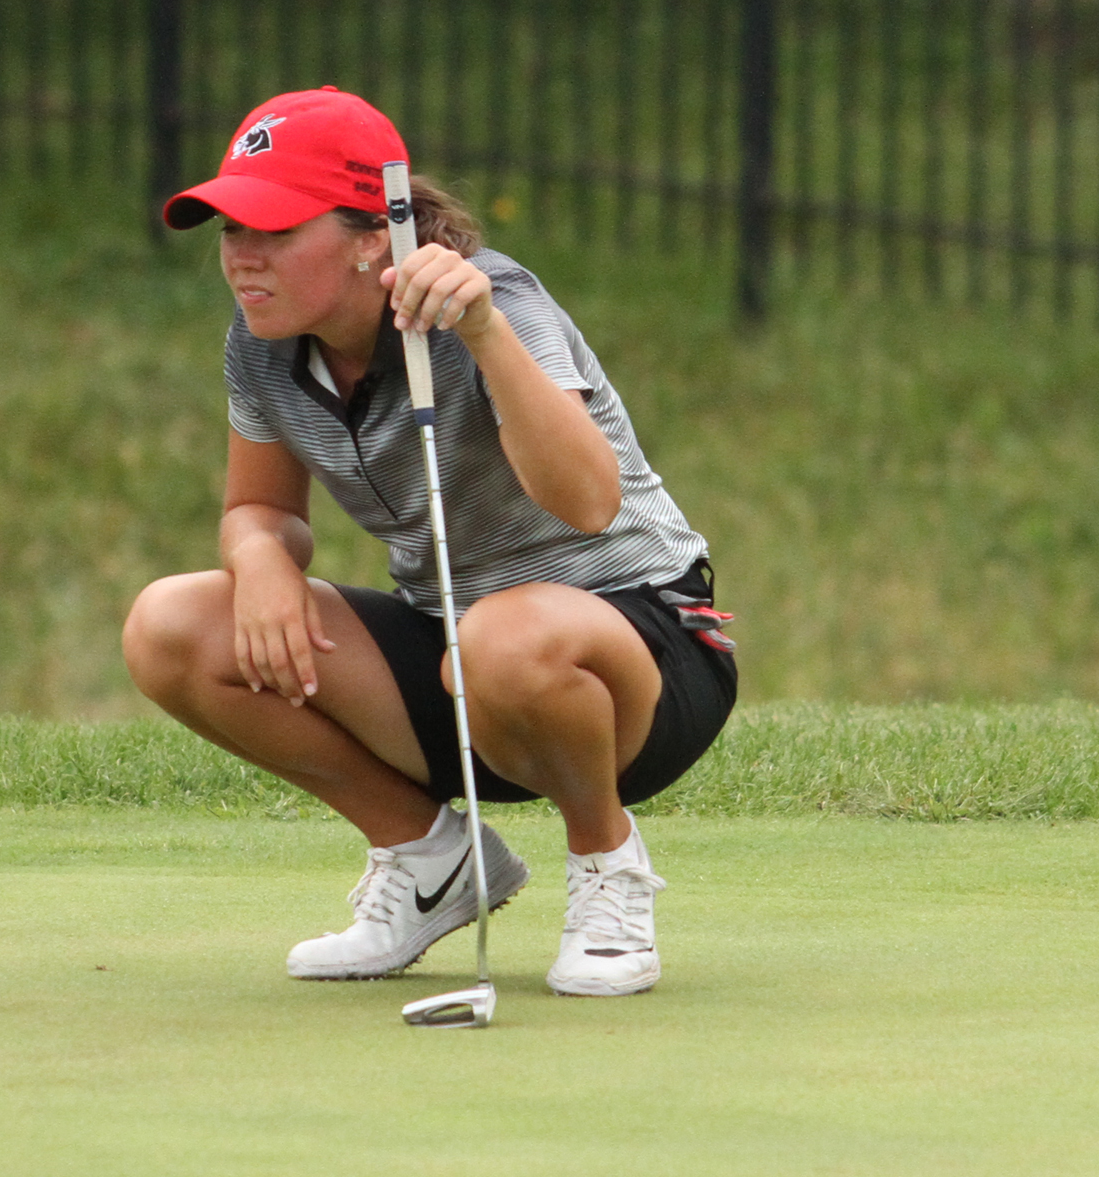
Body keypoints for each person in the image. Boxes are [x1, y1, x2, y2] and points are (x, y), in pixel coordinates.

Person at [122, 87, 737, 998]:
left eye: (276, 233)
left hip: (639, 653)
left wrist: (483, 333)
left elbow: (589, 501)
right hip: (459, 659)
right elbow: (259, 511)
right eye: (229, 233)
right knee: (172, 624)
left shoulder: (502, 304)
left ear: (376, 234)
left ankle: (608, 867)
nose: (244, 260)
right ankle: (430, 860)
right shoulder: (261, 345)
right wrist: (257, 561)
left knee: (503, 641)